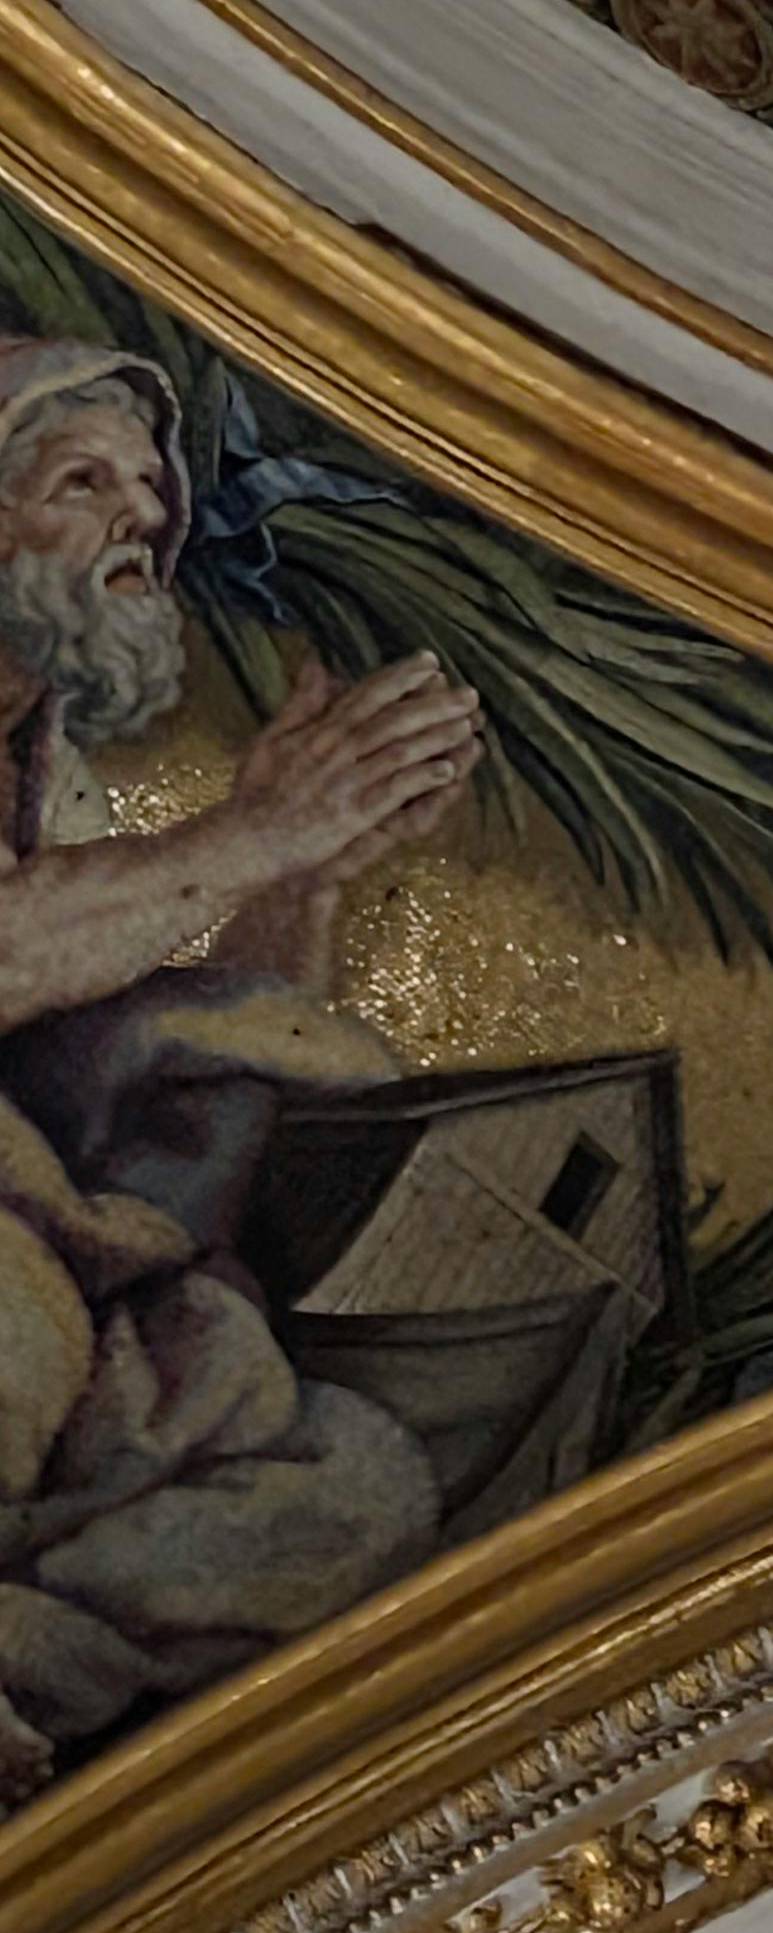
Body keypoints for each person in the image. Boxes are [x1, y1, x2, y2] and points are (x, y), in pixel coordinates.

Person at [0, 341, 479, 1795]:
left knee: (354, 1482)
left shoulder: (53, 784)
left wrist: (307, 877)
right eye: (85, 482)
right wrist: (243, 840)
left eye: (152, 497)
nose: (140, 520)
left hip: (69, 1268)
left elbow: (161, 1048)